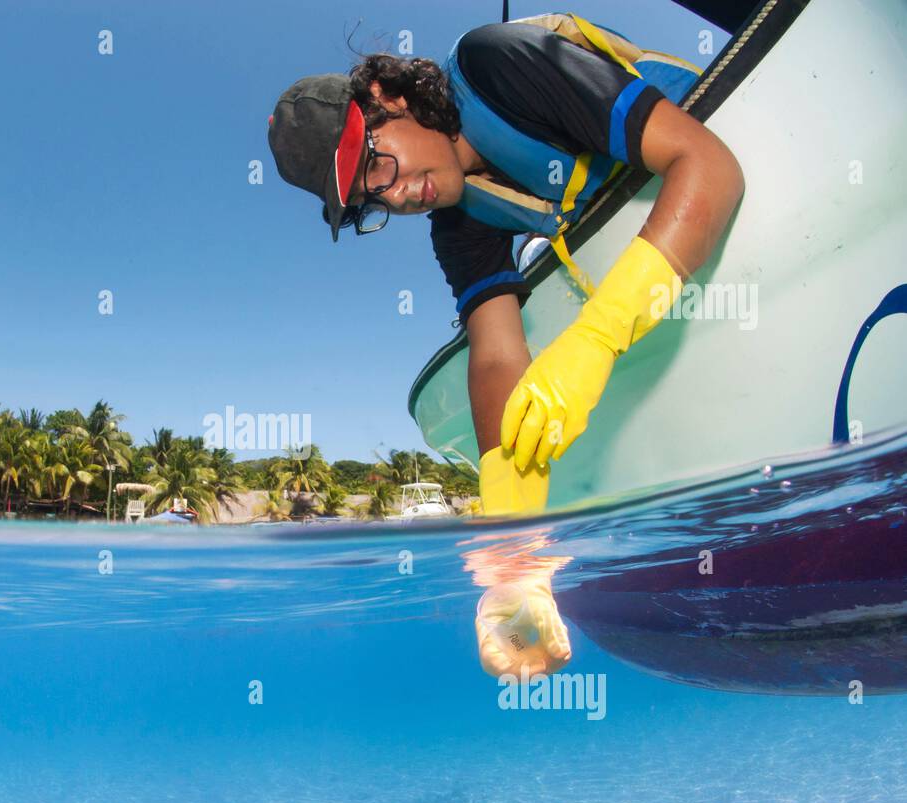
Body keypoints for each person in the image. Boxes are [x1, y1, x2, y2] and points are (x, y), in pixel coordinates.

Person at [268, 14, 743, 677]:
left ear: (387, 94)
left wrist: (598, 340)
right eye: (371, 201)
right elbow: (494, 356)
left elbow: (709, 164)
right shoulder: (456, 225)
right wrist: (516, 570)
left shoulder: (498, 64)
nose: (400, 196)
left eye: (378, 163)